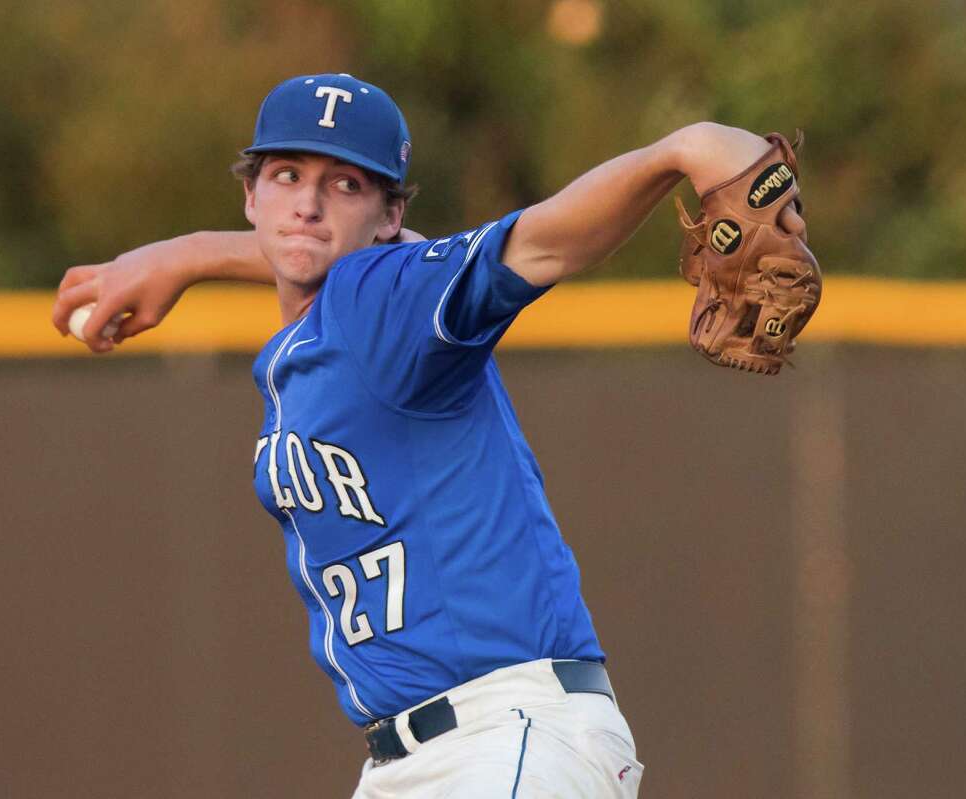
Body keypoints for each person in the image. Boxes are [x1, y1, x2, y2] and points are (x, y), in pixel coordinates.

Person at [52, 73, 803, 798]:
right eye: (285, 174)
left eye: (345, 184)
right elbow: (303, 251)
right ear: (249, 193)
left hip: (506, 734)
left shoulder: (378, 298)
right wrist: (184, 255)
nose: (308, 203)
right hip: (422, 758)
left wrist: (681, 150)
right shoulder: (332, 328)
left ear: (388, 216)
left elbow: (542, 245)